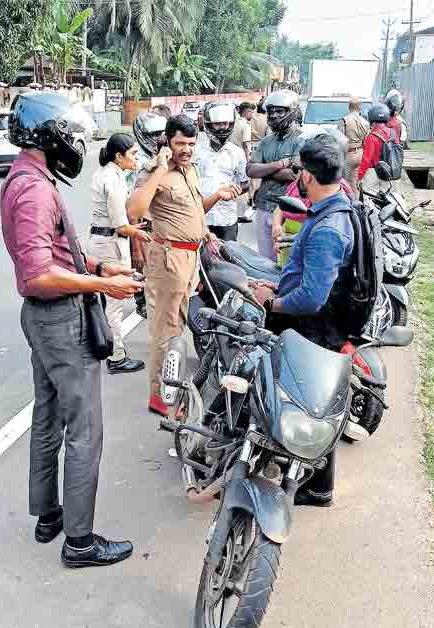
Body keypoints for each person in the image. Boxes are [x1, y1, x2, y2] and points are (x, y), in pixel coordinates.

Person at [0, 92, 143, 568]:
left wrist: (99, 267)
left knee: (49, 416)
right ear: (52, 137)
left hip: (47, 319)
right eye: (73, 137)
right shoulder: (35, 190)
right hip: (60, 319)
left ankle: (49, 517)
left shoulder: (28, 177)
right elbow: (38, 275)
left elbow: (56, 252)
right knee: (85, 429)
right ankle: (79, 542)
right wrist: (102, 283)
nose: (77, 147)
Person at [249, 134, 357, 508]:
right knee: (316, 400)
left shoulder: (328, 228)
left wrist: (273, 302)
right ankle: (310, 477)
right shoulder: (335, 207)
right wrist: (279, 284)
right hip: (317, 321)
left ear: (307, 176)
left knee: (311, 402)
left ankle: (317, 486)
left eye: (301, 174)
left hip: (313, 326)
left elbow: (311, 297)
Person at [128, 115, 239, 416]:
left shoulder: (190, 169)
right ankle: (160, 397)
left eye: (191, 143)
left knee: (178, 328)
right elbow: (135, 209)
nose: (186, 149)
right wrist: (160, 168)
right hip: (169, 259)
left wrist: (215, 202)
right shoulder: (154, 170)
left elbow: (192, 210)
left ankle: (171, 390)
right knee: (165, 331)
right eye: (180, 143)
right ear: (167, 141)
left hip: (190, 258)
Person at [90, 134, 154, 374]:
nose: (136, 158)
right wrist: (140, 234)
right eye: (133, 154)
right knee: (114, 305)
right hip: (111, 244)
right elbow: (121, 225)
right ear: (119, 156)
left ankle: (106, 348)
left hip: (103, 240)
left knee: (107, 301)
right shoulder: (112, 179)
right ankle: (116, 357)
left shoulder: (108, 173)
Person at [246, 90, 306, 259]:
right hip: (264, 206)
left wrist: (264, 170)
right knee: (265, 260)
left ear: (292, 111)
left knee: (287, 260)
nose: (273, 115)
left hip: (289, 211)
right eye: (271, 111)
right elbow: (250, 170)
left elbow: (294, 175)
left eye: (279, 111)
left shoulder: (302, 140)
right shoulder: (266, 142)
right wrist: (278, 165)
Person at [272, 159, 356, 266]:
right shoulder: (296, 185)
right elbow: (280, 208)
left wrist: (301, 239)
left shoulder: (336, 190)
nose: (302, 174)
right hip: (288, 246)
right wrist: (277, 226)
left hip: (313, 250)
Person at [129, 111, 169, 319]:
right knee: (143, 269)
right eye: (154, 134)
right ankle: (143, 304)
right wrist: (135, 245)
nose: (159, 137)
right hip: (142, 227)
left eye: (162, 133)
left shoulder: (162, 158)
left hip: (161, 226)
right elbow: (131, 209)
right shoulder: (136, 163)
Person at [194, 103, 250, 242]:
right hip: (200, 218)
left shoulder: (237, 153)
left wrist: (233, 191)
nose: (222, 128)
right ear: (209, 124)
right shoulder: (196, 151)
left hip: (226, 219)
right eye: (217, 124)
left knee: (228, 254)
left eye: (225, 123)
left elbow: (245, 183)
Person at [355, 102, 397, 185]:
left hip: (373, 173)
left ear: (371, 118)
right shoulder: (393, 133)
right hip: (389, 171)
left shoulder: (371, 136)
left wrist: (359, 177)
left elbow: (366, 160)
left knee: (368, 193)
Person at [339, 97, 370, 186]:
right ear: (360, 108)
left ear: (349, 108)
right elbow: (366, 141)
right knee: (354, 182)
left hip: (348, 154)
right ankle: (355, 195)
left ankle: (347, 195)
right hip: (360, 153)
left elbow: (340, 139)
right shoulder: (365, 122)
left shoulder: (344, 121)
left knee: (344, 182)